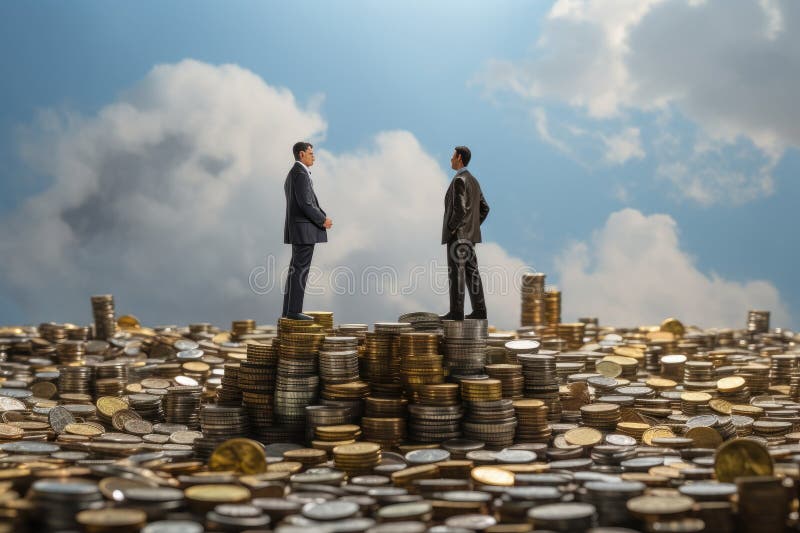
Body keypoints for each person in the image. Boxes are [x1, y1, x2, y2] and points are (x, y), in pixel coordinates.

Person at [282, 142, 333, 320]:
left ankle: (289, 310)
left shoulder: (294, 174)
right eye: (311, 153)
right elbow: (306, 203)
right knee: (300, 270)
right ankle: (294, 311)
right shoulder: (300, 174)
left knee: (295, 270)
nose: (314, 156)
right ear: (302, 154)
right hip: (304, 230)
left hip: (299, 229)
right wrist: (322, 219)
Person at [440, 146, 490, 321]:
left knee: (457, 273)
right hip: (469, 238)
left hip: (458, 237)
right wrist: (471, 227)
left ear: (459, 158)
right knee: (471, 273)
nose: (451, 159)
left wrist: (453, 228)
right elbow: (485, 208)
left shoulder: (459, 180)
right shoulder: (474, 181)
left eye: (452, 156)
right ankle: (480, 310)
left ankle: (456, 312)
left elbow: (460, 210)